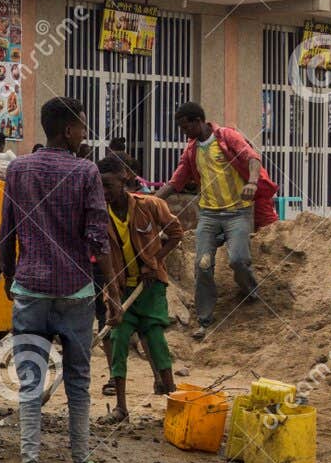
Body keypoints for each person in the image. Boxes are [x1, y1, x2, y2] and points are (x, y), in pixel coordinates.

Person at [0, 96, 117, 463]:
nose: (85, 134)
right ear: (68, 130)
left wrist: (11, 277)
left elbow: (6, 233)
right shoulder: (86, 172)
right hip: (77, 292)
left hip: (30, 290)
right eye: (82, 126)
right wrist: (103, 287)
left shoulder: (18, 169)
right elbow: (97, 236)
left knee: (30, 383)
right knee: (78, 383)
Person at [153, 102, 278, 340]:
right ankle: (204, 319)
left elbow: (252, 158)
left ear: (197, 120)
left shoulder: (227, 137)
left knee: (239, 259)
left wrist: (252, 182)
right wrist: (149, 202)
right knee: (202, 266)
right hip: (209, 216)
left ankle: (250, 292)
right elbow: (175, 182)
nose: (183, 132)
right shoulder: (191, 151)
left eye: (184, 126)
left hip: (238, 213)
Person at [99, 156, 183, 423]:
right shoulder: (101, 216)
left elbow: (176, 233)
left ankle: (173, 401)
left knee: (156, 340)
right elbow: (106, 264)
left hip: (151, 288)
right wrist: (112, 300)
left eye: (108, 185)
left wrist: (155, 261)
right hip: (122, 290)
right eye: (99, 187)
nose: (104, 192)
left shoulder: (151, 206)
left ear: (123, 179)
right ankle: (121, 408)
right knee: (118, 339)